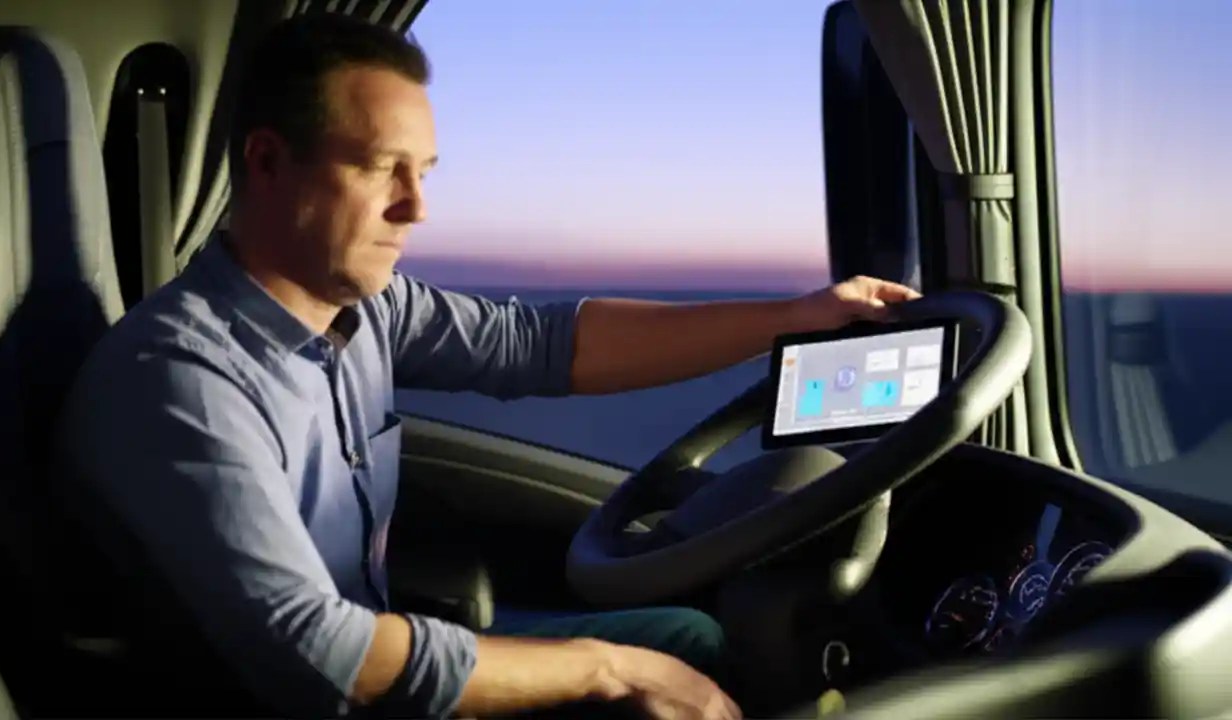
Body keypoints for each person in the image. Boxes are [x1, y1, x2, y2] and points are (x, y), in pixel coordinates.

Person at [54, 12, 920, 720]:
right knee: (669, 663)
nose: (415, 206)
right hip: (305, 698)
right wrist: (601, 669)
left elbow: (544, 346)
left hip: (371, 654)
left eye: (424, 171)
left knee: (689, 640)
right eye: (378, 168)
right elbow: (322, 656)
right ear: (269, 162)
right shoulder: (180, 382)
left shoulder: (360, 306)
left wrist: (795, 318)